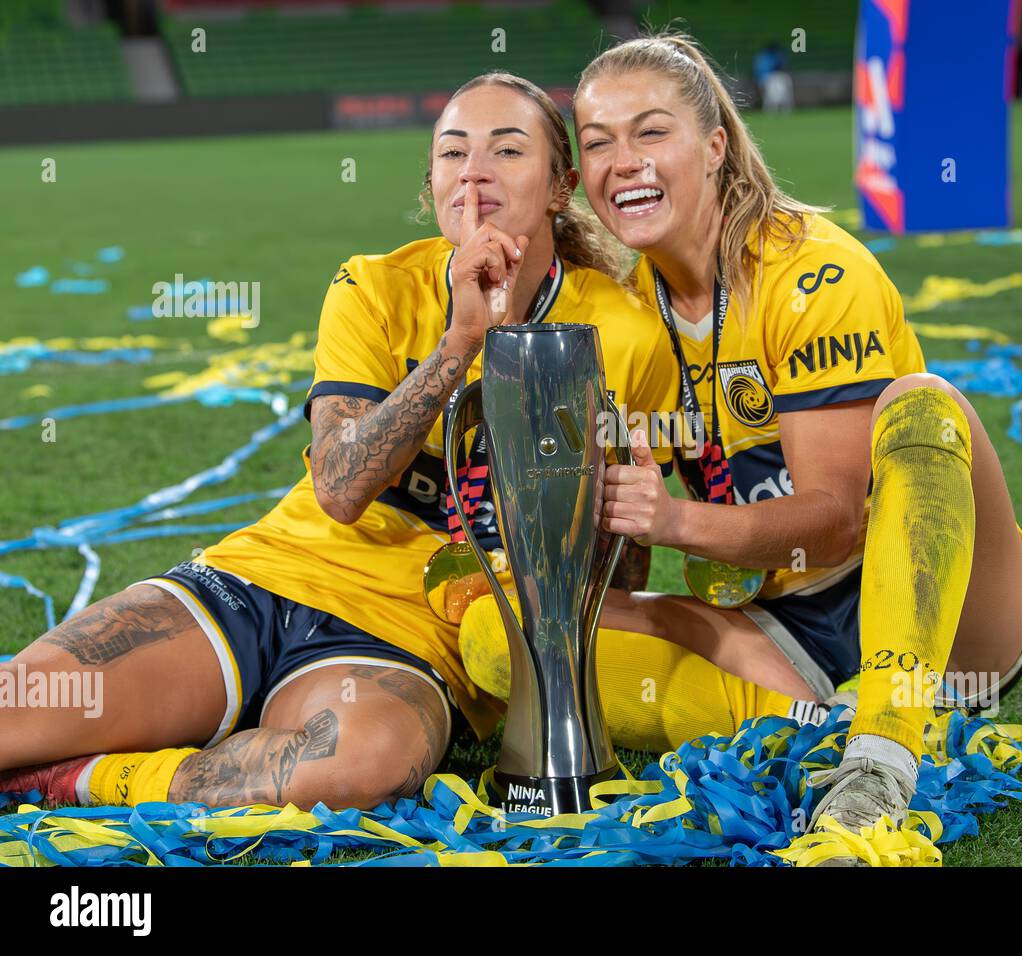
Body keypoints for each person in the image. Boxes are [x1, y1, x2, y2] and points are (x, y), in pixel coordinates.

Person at [0, 72, 676, 812]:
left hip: (406, 645)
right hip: (258, 587)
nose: (475, 171)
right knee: (17, 712)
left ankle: (81, 779)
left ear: (559, 185)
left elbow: (615, 568)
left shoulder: (627, 334)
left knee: (360, 766)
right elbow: (341, 489)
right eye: (453, 154)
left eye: (507, 151)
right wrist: (459, 346)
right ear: (433, 181)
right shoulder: (373, 287)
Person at [457, 34, 1022, 863]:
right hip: (779, 626)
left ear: (716, 146)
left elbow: (835, 524)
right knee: (499, 633)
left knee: (924, 407)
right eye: (597, 142)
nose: (624, 162)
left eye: (652, 132)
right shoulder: (626, 315)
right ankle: (826, 722)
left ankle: (880, 758)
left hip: (945, 619)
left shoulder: (814, 273)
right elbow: (621, 555)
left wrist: (674, 520)